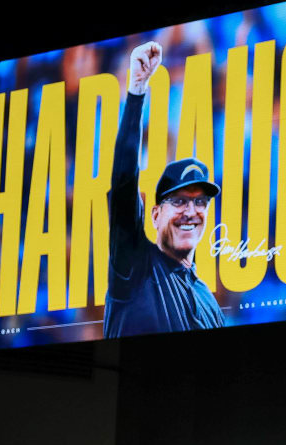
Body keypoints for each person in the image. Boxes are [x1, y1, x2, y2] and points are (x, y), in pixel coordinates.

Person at [104, 41, 225, 338]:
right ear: (155, 214)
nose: (191, 212)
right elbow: (123, 182)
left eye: (200, 202)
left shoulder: (209, 302)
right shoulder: (135, 265)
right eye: (180, 201)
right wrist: (136, 90)